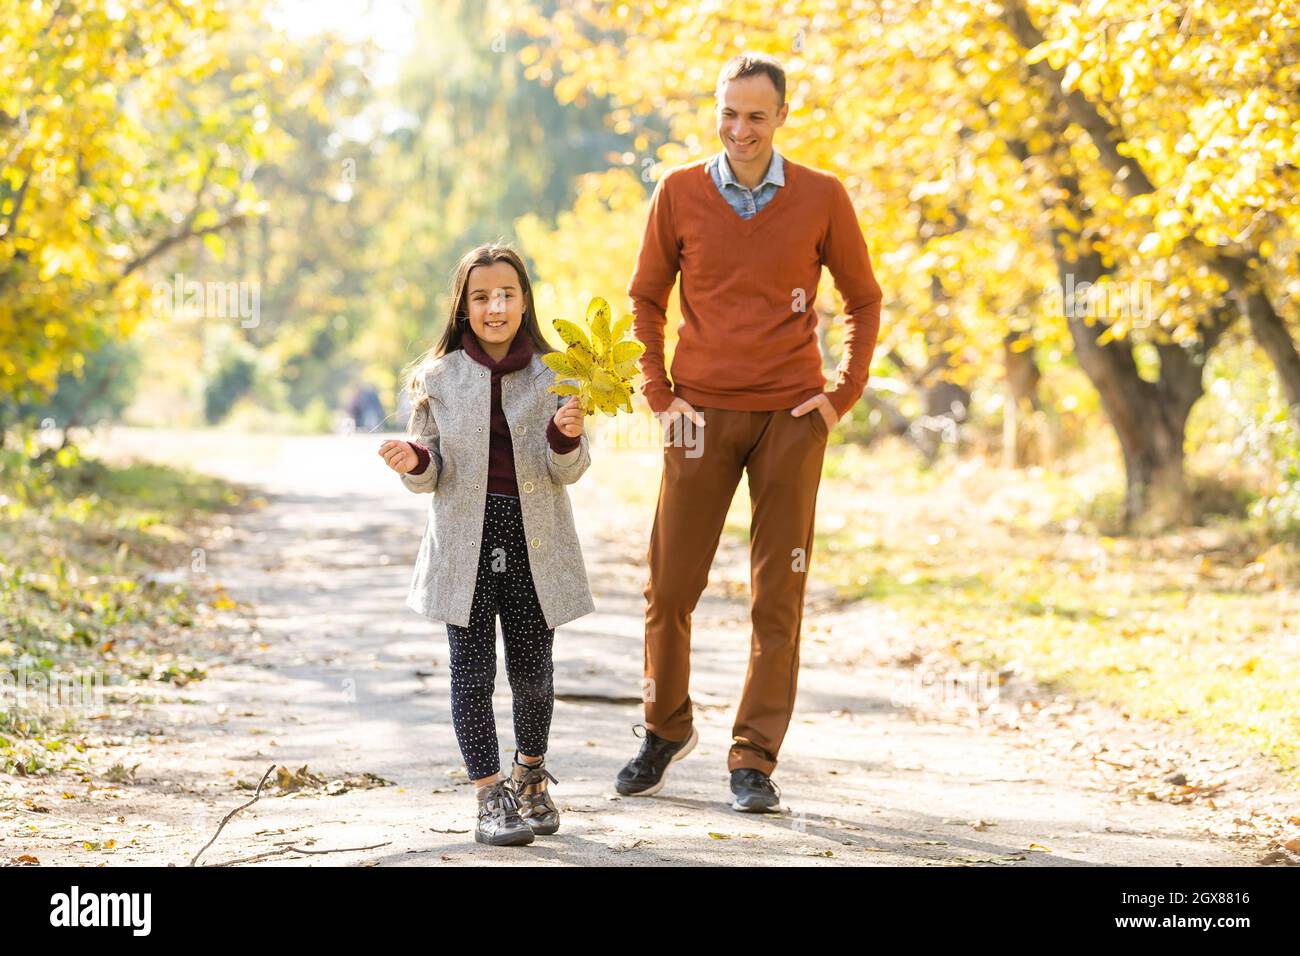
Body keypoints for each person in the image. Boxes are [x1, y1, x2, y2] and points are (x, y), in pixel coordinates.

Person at [619, 52, 884, 812]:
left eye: (756, 116)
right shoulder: (675, 192)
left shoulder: (823, 197)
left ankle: (753, 758)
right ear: (716, 112)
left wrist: (842, 395)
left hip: (791, 420)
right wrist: (658, 394)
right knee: (669, 588)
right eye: (729, 113)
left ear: (781, 118)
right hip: (698, 415)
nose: (740, 129)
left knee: (778, 594)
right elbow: (645, 297)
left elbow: (864, 300)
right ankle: (664, 728)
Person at [379, 242, 595, 846]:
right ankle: (488, 795)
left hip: (535, 539)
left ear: (524, 301)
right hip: (463, 544)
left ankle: (530, 777)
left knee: (533, 673)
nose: (494, 307)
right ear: (464, 306)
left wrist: (564, 436)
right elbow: (427, 471)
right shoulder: (437, 378)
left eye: (506, 294)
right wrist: (413, 458)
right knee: (471, 677)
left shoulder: (559, 374)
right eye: (481, 297)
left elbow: (570, 469)